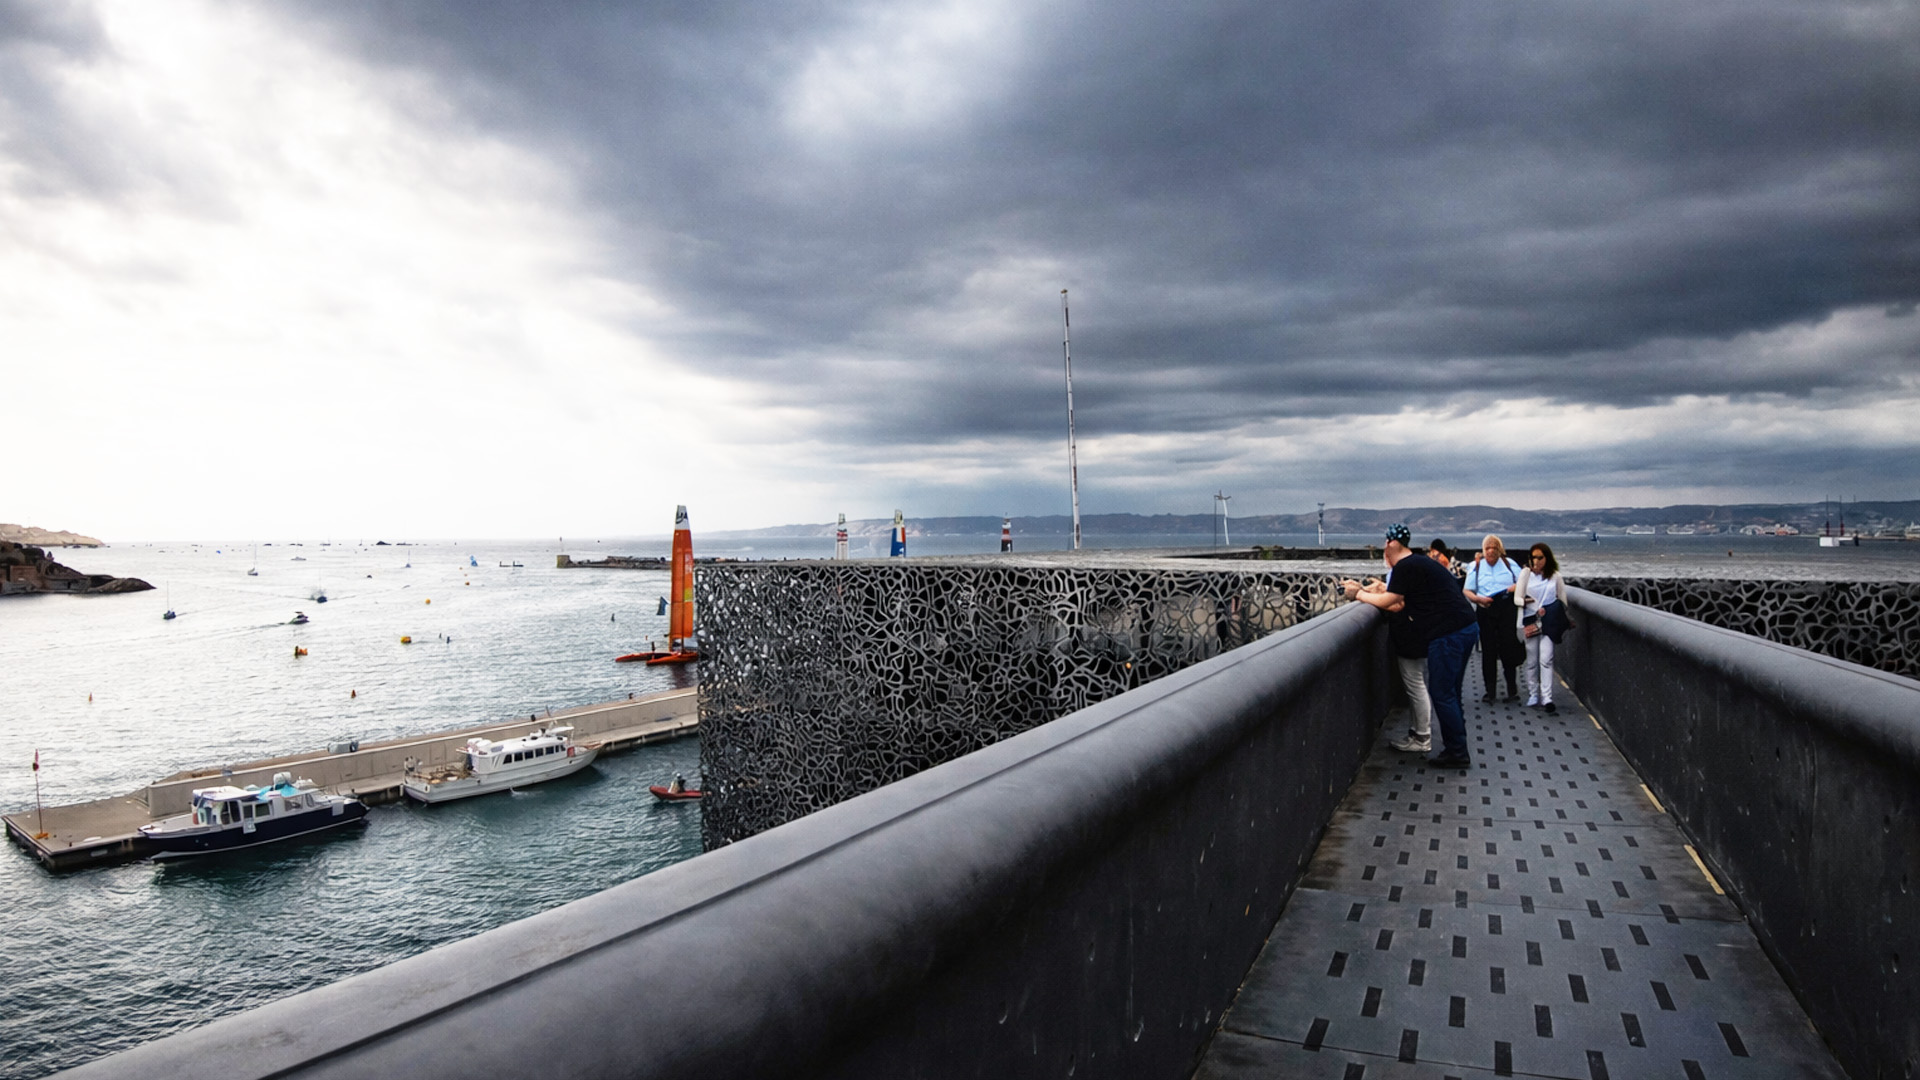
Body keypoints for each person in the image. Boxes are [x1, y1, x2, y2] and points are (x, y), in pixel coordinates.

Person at [1342, 524, 1479, 769]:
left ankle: (1457, 751)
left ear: (1389, 544)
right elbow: (1402, 595)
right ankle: (1457, 747)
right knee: (1451, 692)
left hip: (1448, 634)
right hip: (1465, 627)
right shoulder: (1417, 563)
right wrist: (1378, 589)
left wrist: (1359, 595)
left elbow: (1392, 601)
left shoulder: (1405, 566)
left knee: (1442, 693)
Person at [1357, 569, 1432, 754]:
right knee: (1418, 685)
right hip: (1421, 638)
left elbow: (1397, 604)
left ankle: (1422, 736)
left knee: (1416, 686)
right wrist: (1382, 589)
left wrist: (1360, 594)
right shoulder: (1413, 572)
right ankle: (1418, 733)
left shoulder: (1402, 571)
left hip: (1411, 639)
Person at [1462, 534, 1524, 702]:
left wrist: (1514, 588)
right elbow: (1467, 591)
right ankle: (1490, 691)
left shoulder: (1509, 564)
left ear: (1499, 550)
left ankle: (1512, 689)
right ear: (1483, 550)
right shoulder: (1476, 566)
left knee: (1508, 648)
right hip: (1485, 609)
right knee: (1488, 651)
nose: (1491, 551)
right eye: (1487, 548)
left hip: (1506, 608)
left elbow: (1524, 582)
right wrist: (1477, 600)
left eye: (1494, 548)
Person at [1513, 543, 1565, 714]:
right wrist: (1526, 602)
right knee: (1532, 660)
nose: (1536, 561)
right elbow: (1517, 598)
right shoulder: (1526, 574)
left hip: (1549, 621)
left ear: (1547, 558)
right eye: (1533, 557)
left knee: (1546, 659)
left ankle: (1547, 697)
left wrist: (1562, 616)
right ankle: (1533, 693)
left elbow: (1562, 600)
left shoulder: (1555, 576)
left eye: (1540, 557)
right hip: (1530, 620)